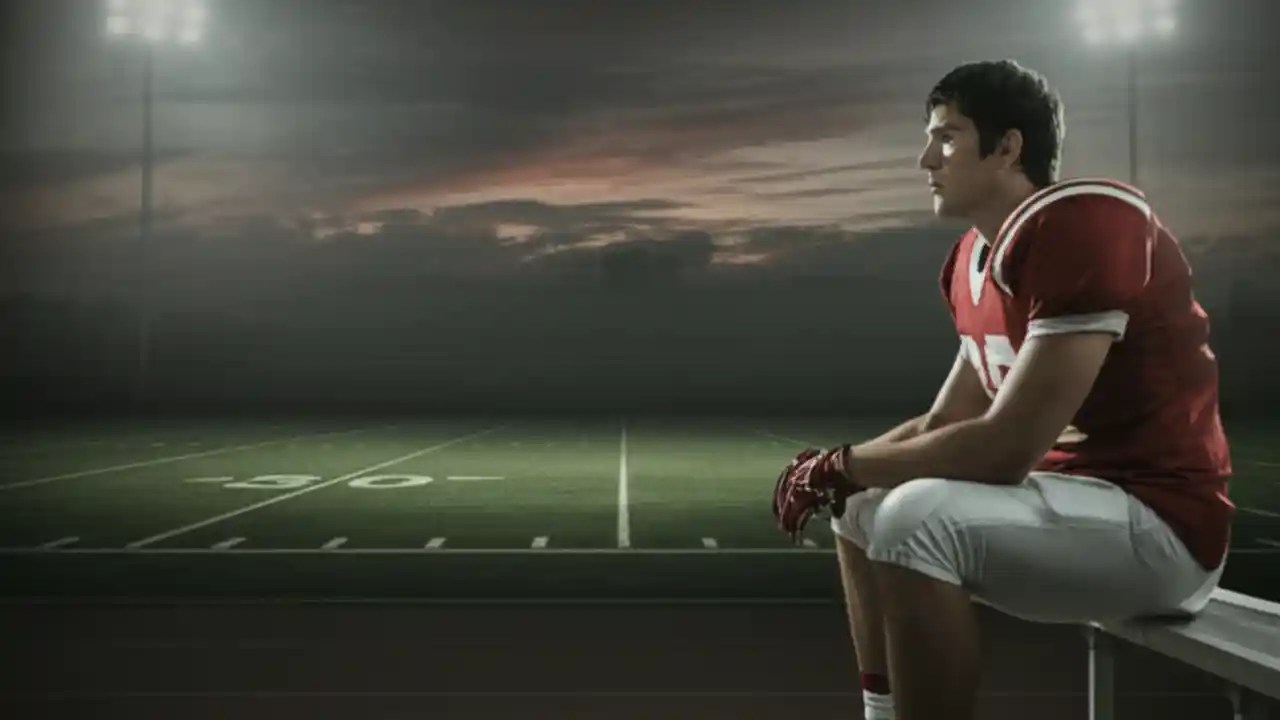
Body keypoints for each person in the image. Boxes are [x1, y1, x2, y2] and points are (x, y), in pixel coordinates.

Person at [772, 59, 1234, 720]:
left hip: (1159, 525)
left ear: (1009, 146)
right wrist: (838, 471)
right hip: (1077, 508)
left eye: (948, 136)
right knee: (861, 506)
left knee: (914, 519)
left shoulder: (1082, 224)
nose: (926, 158)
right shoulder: (973, 258)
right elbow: (944, 422)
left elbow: (1003, 449)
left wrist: (840, 463)